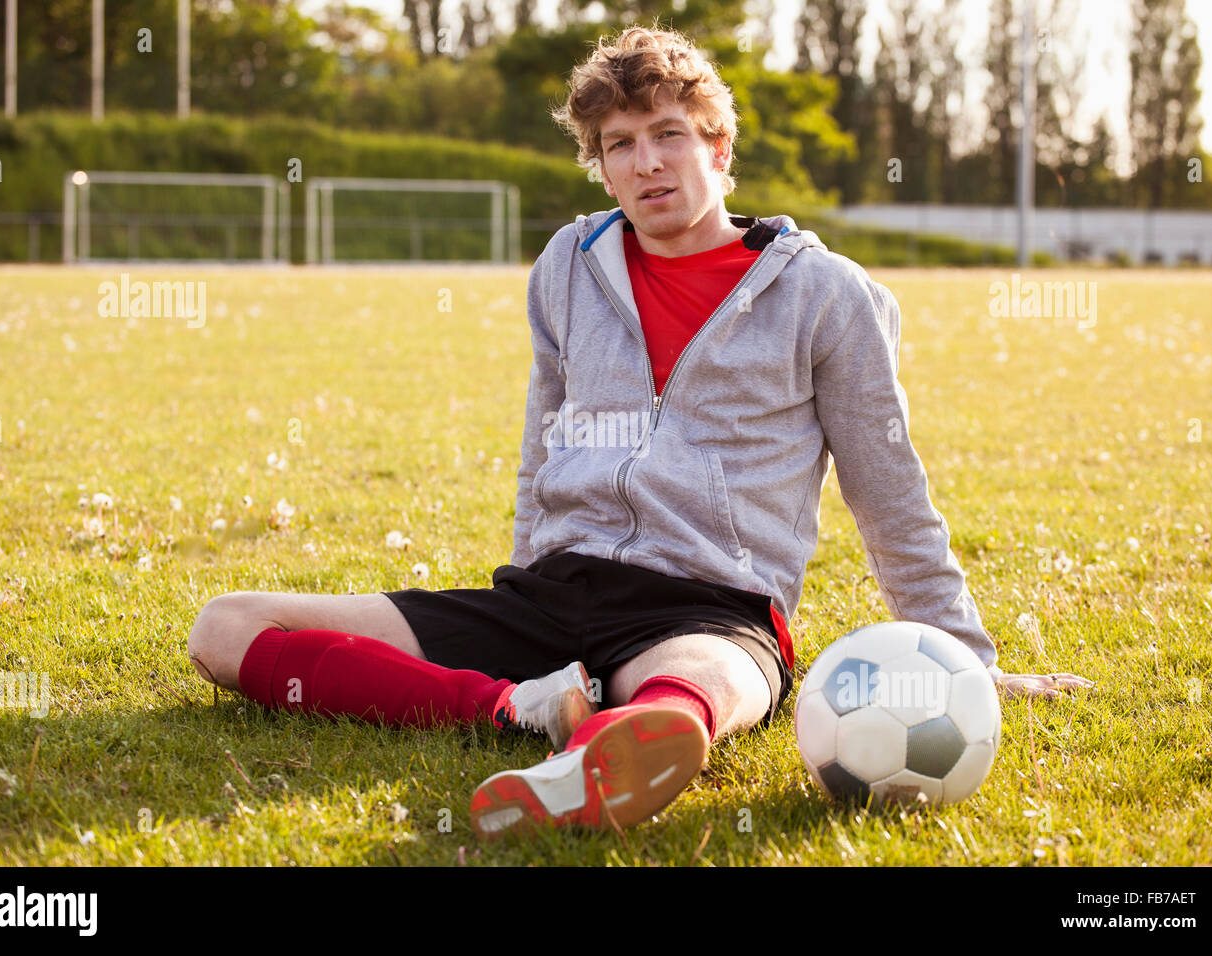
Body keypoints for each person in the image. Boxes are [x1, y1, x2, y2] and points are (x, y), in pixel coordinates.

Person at [185, 25, 1092, 840]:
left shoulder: (826, 295)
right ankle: (516, 712)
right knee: (225, 629)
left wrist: (964, 661)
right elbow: (544, 446)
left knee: (695, 694)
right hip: (551, 598)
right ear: (602, 166)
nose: (648, 163)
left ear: (719, 148)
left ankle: (625, 738)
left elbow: (888, 487)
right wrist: (528, 606)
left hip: (711, 607)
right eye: (621, 145)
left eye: (668, 135)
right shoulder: (567, 266)